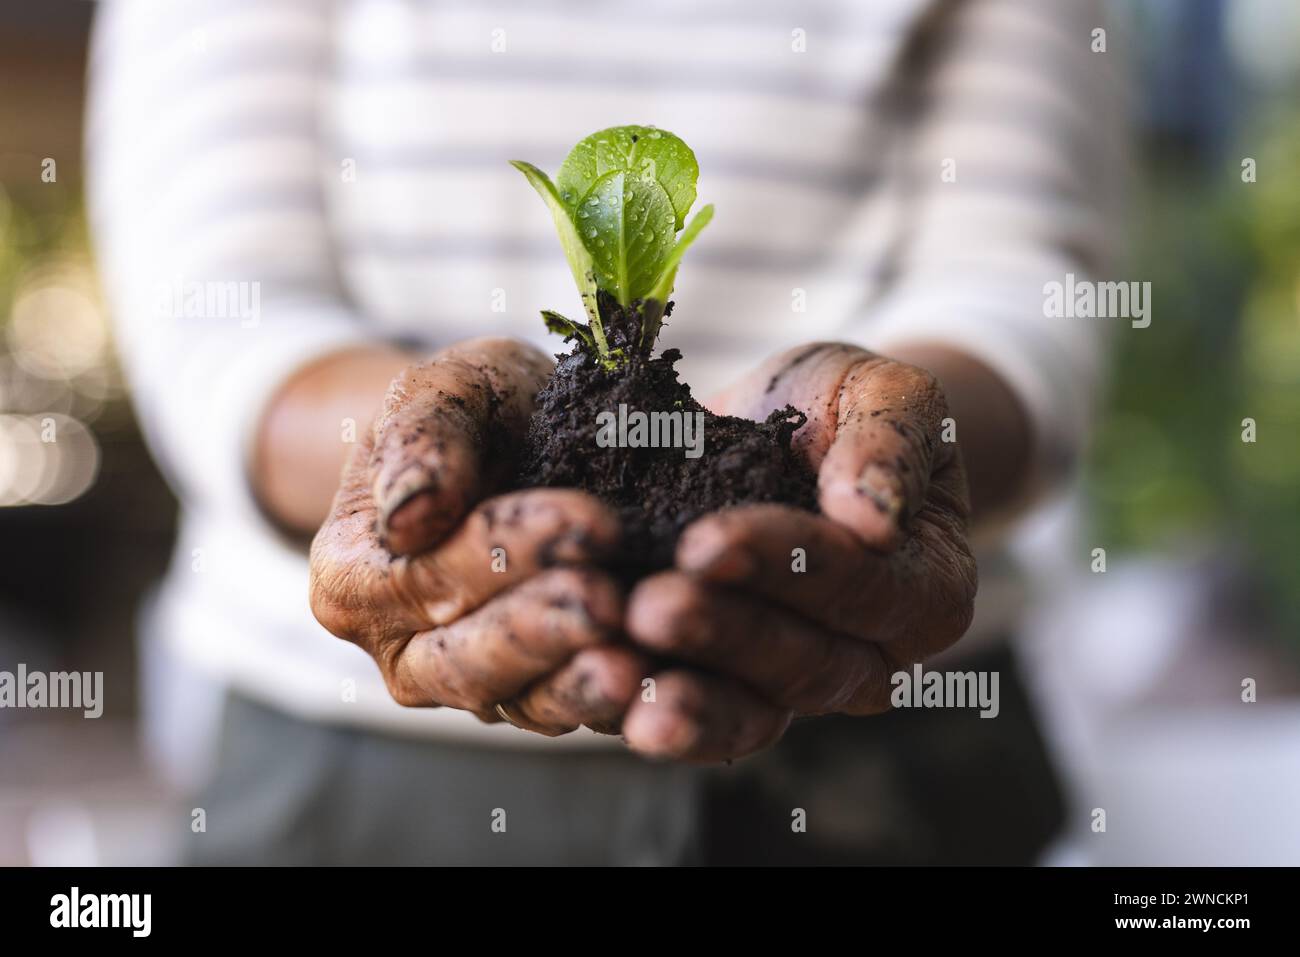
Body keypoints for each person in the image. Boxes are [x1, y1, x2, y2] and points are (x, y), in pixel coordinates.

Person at [87, 0, 1124, 864]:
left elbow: (1017, 281)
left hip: (890, 774)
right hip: (359, 787)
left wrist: (888, 439)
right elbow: (221, 308)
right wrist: (408, 462)